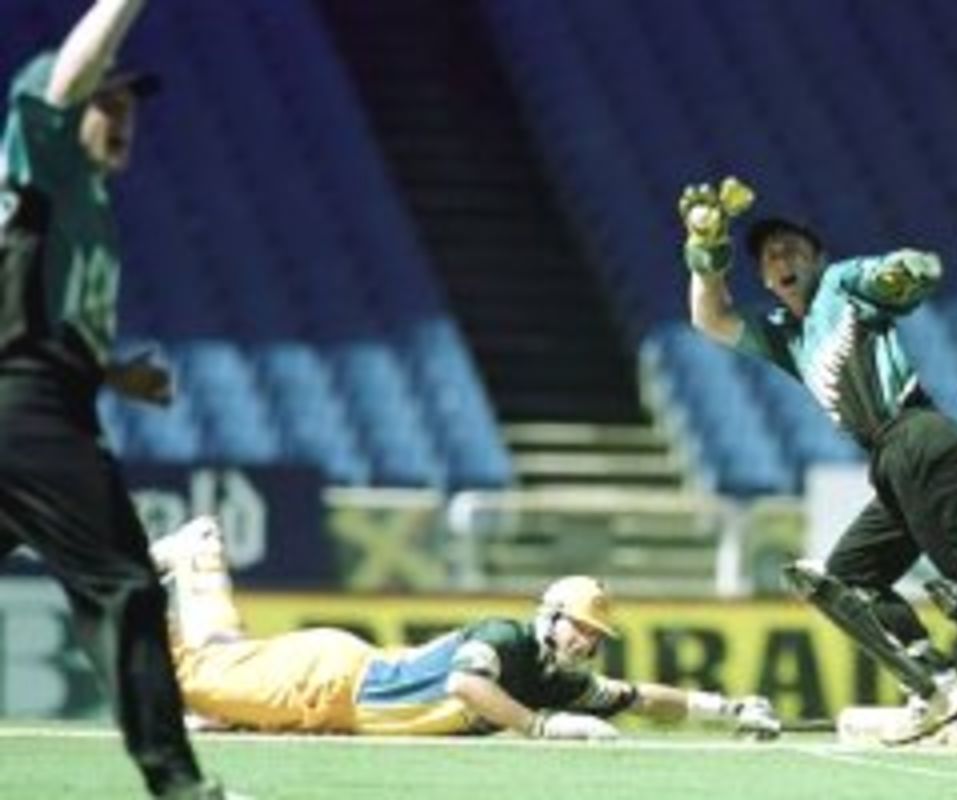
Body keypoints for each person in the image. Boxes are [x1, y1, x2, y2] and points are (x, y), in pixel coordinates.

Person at [678, 177, 957, 756]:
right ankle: (937, 686)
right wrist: (706, 250)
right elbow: (709, 318)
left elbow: (900, 274)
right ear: (766, 280)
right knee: (845, 580)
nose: (782, 258)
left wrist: (904, 273)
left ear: (818, 258)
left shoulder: (841, 285)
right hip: (897, 459)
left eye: (794, 248)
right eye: (770, 256)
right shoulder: (786, 338)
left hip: (917, 438)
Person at [0, 2, 234, 797]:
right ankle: (177, 785)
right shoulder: (46, 161)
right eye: (109, 99)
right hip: (24, 408)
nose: (122, 112)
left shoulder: (86, 208)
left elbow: (36, 316)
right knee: (124, 583)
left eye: (130, 102)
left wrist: (117, 375)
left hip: (37, 394)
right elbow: (64, 79)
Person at [151, 516, 782, 740]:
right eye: (579, 629)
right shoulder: (506, 638)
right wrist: (539, 726)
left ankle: (198, 552)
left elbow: (640, 699)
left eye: (594, 636)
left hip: (332, 697)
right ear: (550, 618)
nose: (586, 642)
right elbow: (465, 687)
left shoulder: (551, 677)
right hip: (326, 682)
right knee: (180, 679)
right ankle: (162, 564)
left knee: (219, 660)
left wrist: (724, 708)